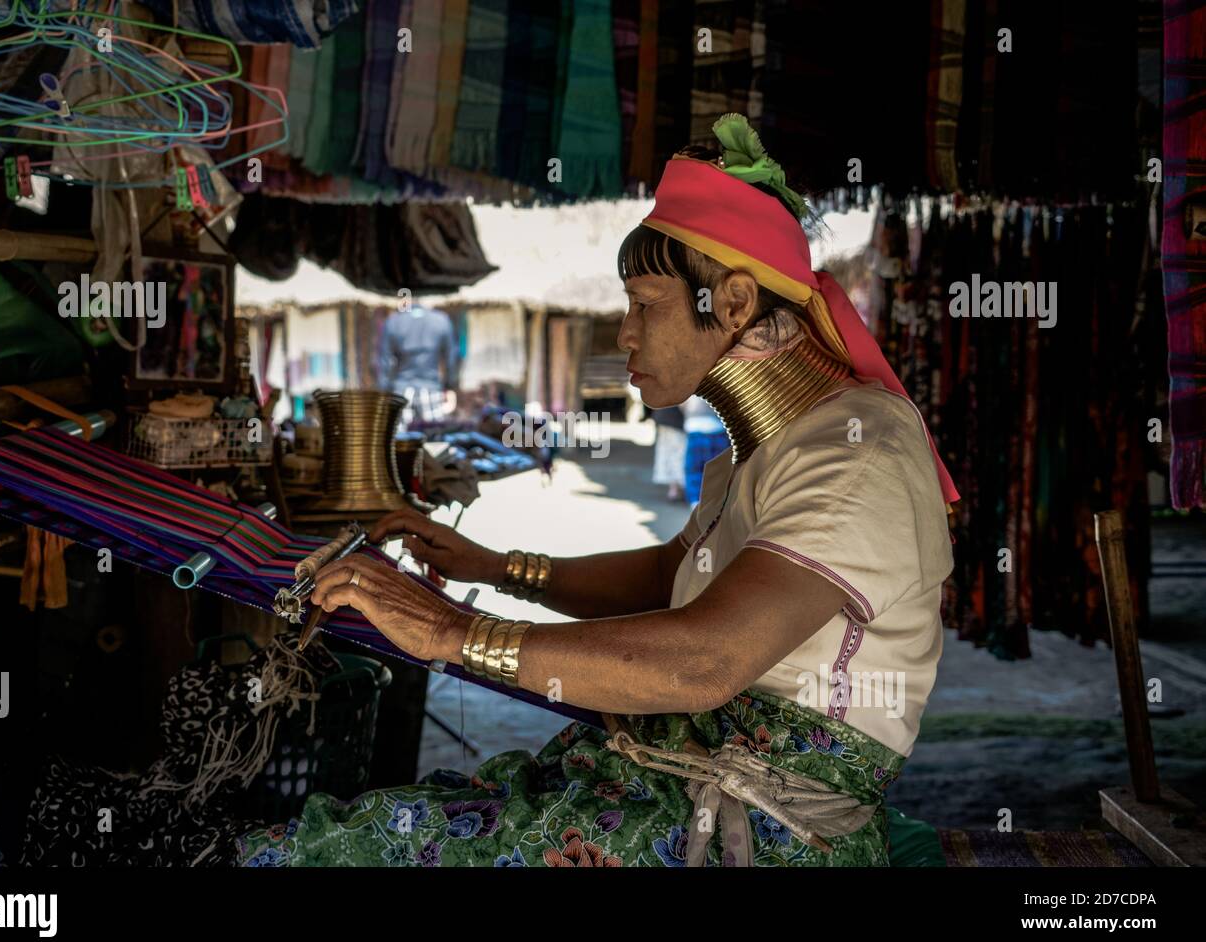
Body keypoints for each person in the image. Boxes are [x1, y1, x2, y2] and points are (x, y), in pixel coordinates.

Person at [237, 115, 958, 868]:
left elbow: (706, 658)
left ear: (735, 303)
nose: (625, 334)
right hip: (668, 783)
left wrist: (454, 633)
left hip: (769, 829)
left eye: (646, 303)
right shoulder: (754, 457)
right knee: (365, 828)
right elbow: (667, 579)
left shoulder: (859, 451)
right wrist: (496, 566)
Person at [377, 304, 458, 424]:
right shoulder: (441, 321)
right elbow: (451, 357)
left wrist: (384, 390)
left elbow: (385, 361)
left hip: (401, 390)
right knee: (434, 437)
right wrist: (450, 386)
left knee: (400, 438)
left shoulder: (393, 322)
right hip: (431, 389)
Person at [681, 394, 728, 505]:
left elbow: (681, 402)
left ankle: (696, 501)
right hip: (717, 428)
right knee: (718, 470)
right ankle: (715, 502)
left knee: (694, 469)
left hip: (695, 427)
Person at [648, 404, 687, 501]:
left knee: (667, 452)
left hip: (663, 416)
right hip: (675, 419)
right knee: (678, 453)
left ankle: (674, 488)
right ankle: (677, 487)